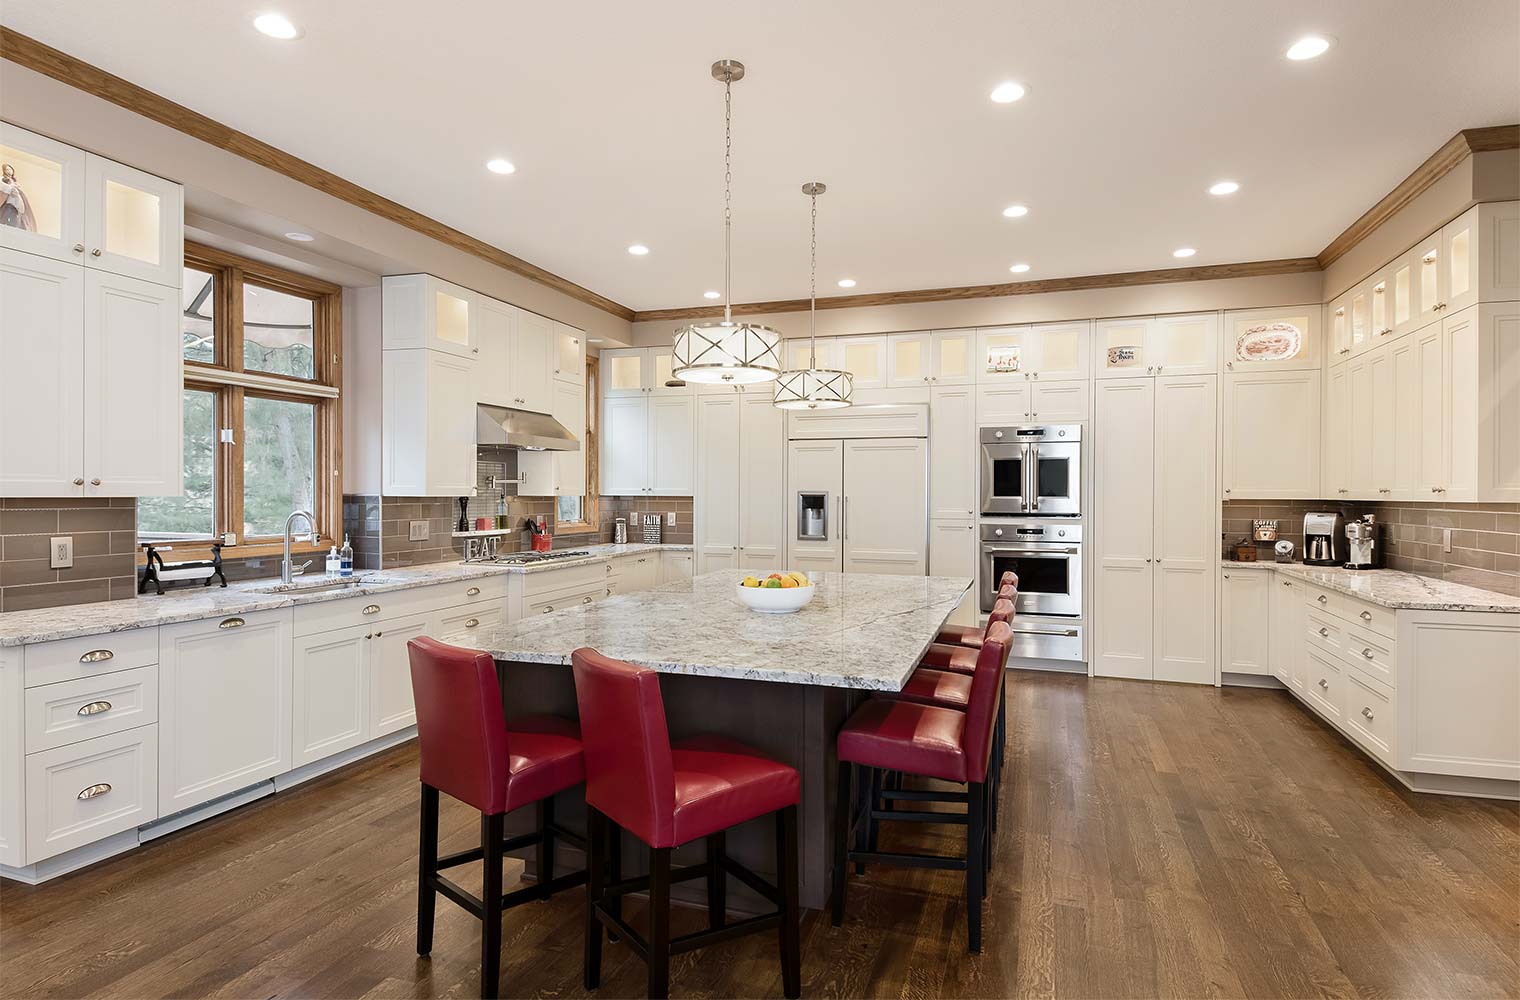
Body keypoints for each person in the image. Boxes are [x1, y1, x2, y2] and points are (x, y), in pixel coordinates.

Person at [1, 163, 38, 232]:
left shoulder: (14, 181)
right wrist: (11, 187)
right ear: (4, 171)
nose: (9, 171)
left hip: (17, 202)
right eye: (7, 169)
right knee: (7, 214)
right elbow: (2, 186)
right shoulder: (3, 179)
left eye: (10, 169)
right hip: (10, 201)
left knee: (15, 217)